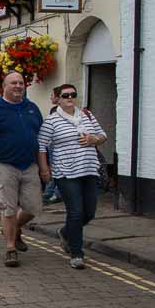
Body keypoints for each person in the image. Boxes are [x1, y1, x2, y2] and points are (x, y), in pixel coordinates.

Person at [0, 71, 45, 268]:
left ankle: (14, 229)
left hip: (29, 165)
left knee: (33, 208)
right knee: (9, 208)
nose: (18, 86)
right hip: (3, 165)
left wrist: (46, 165)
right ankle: (11, 248)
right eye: (13, 83)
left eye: (21, 83)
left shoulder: (32, 108)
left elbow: (43, 138)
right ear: (4, 87)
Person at [38, 84, 107, 270]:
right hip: (66, 173)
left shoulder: (87, 116)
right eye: (65, 95)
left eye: (73, 95)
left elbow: (103, 135)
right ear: (58, 98)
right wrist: (45, 170)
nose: (70, 98)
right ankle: (77, 253)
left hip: (89, 170)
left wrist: (94, 139)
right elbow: (41, 146)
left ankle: (65, 232)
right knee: (75, 212)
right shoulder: (51, 121)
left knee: (89, 212)